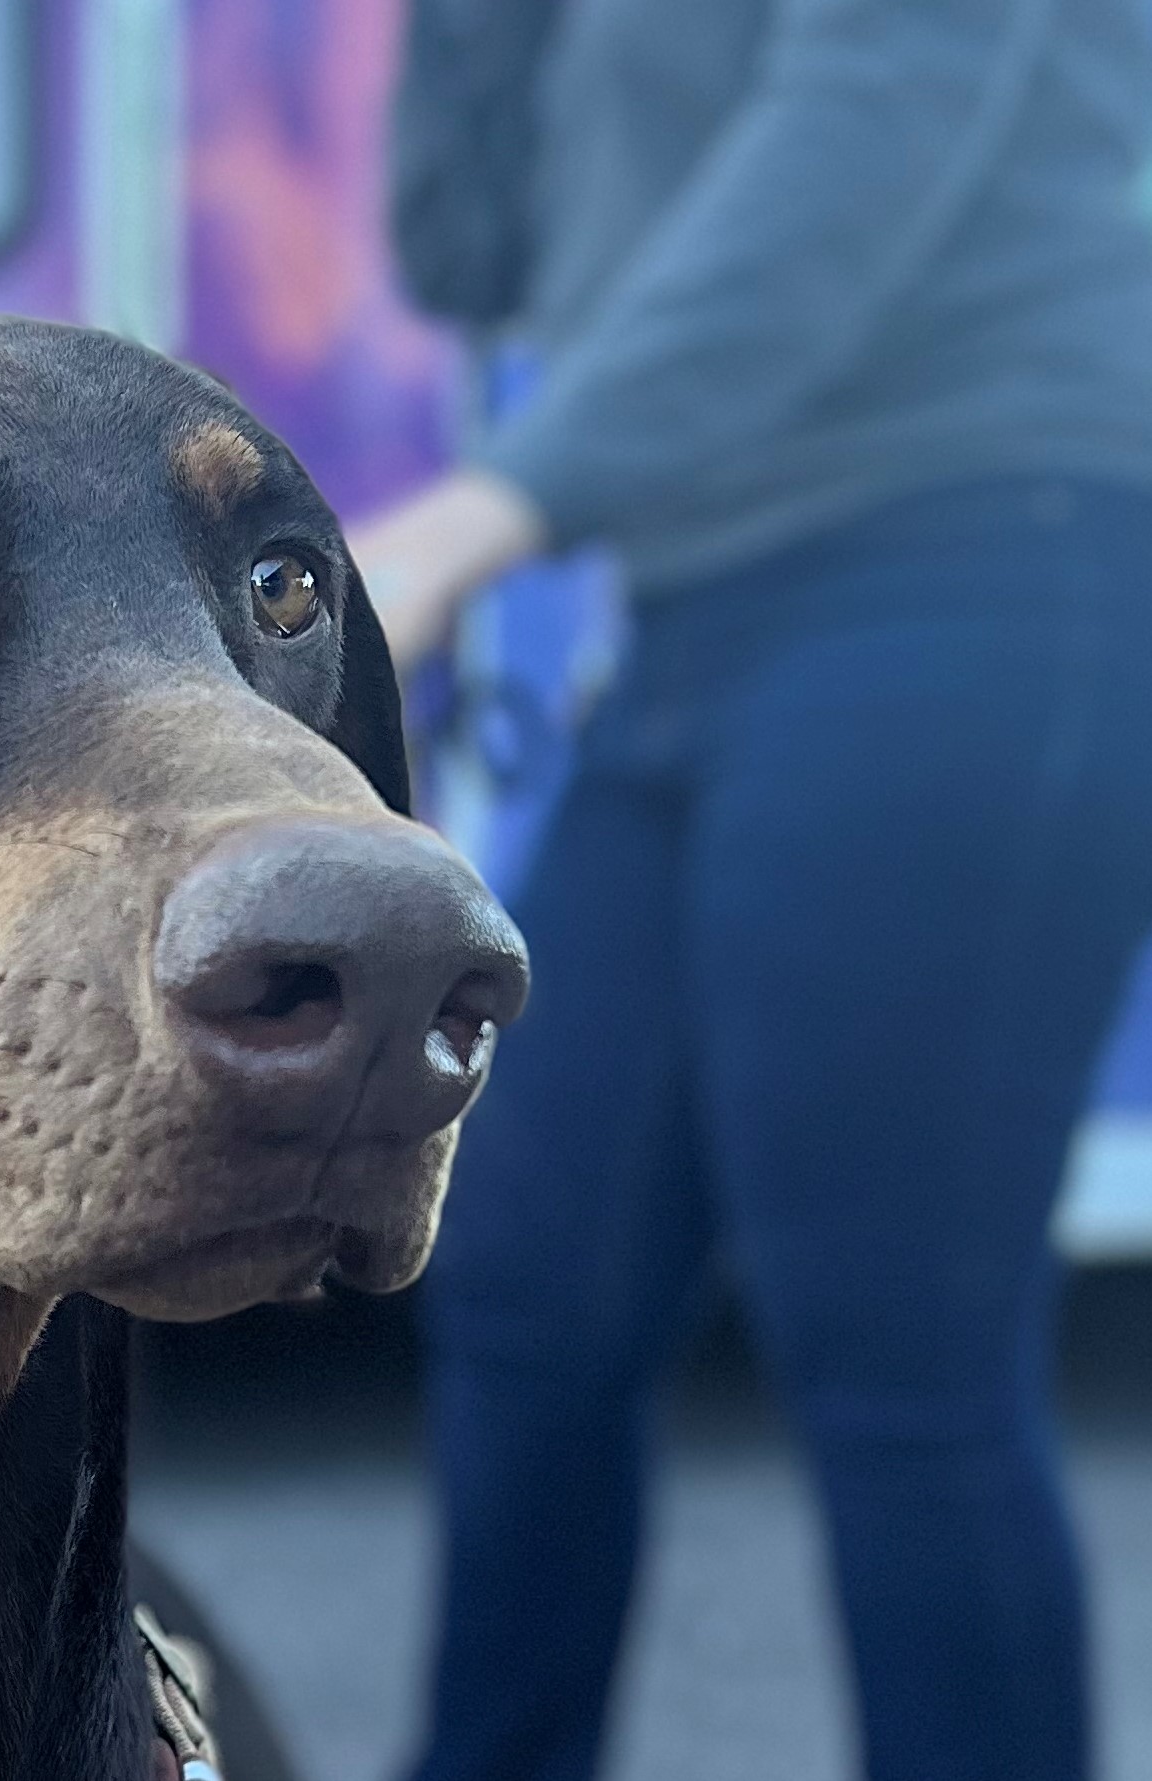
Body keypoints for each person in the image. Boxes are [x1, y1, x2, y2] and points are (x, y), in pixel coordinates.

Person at [357, 2, 1152, 1778]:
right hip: (704, 620)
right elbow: (463, 249)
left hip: (984, 568)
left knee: (896, 1344)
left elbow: (850, 165)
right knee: (530, 1284)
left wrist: (476, 519)